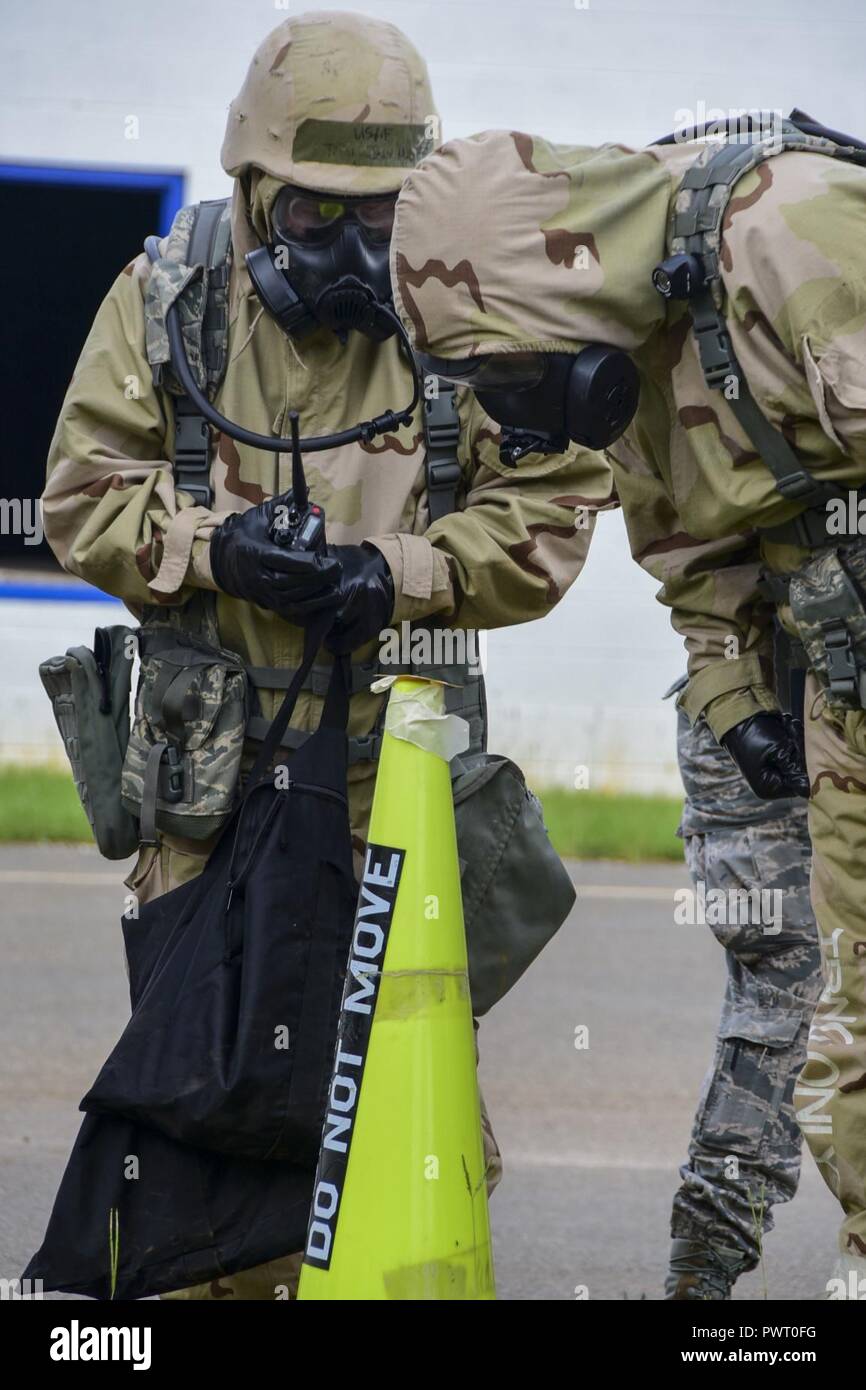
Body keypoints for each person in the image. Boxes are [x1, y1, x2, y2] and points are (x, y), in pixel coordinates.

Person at [40, 13, 612, 1299]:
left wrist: (392, 573)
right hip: (209, 795)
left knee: (400, 1124)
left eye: (383, 216)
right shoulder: (168, 298)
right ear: (253, 188)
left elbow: (556, 509)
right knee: (199, 1100)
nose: (352, 253)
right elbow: (78, 499)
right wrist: (214, 552)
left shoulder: (469, 315)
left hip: (391, 790)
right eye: (313, 218)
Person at [388, 115, 866, 1290]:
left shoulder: (790, 239)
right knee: (820, 990)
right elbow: (689, 560)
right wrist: (732, 695)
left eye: (512, 370)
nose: (518, 403)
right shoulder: (638, 337)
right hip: (824, 676)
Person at [664, 675, 819, 1298]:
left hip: (799, 711)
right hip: (763, 716)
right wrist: (736, 709)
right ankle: (704, 1273)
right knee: (792, 981)